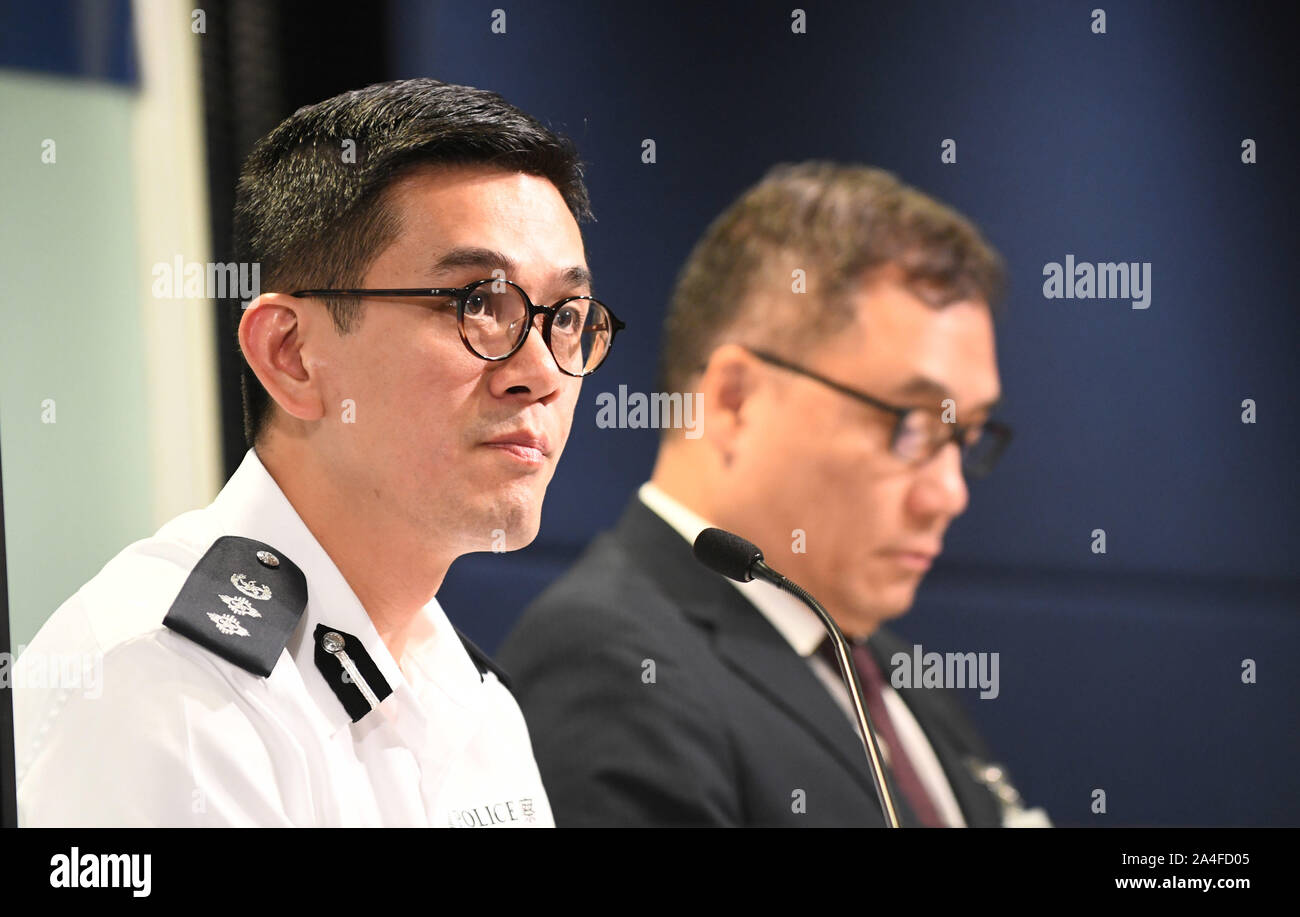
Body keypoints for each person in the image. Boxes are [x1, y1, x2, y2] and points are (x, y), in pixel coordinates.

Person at [13, 78, 624, 827]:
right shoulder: (166, 687)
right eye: (476, 303)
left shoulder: (474, 696)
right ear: (291, 353)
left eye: (565, 315)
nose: (539, 372)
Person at [499, 162, 1048, 827]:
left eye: (967, 434)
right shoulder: (610, 661)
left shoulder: (883, 661)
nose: (949, 494)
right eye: (911, 424)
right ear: (735, 401)